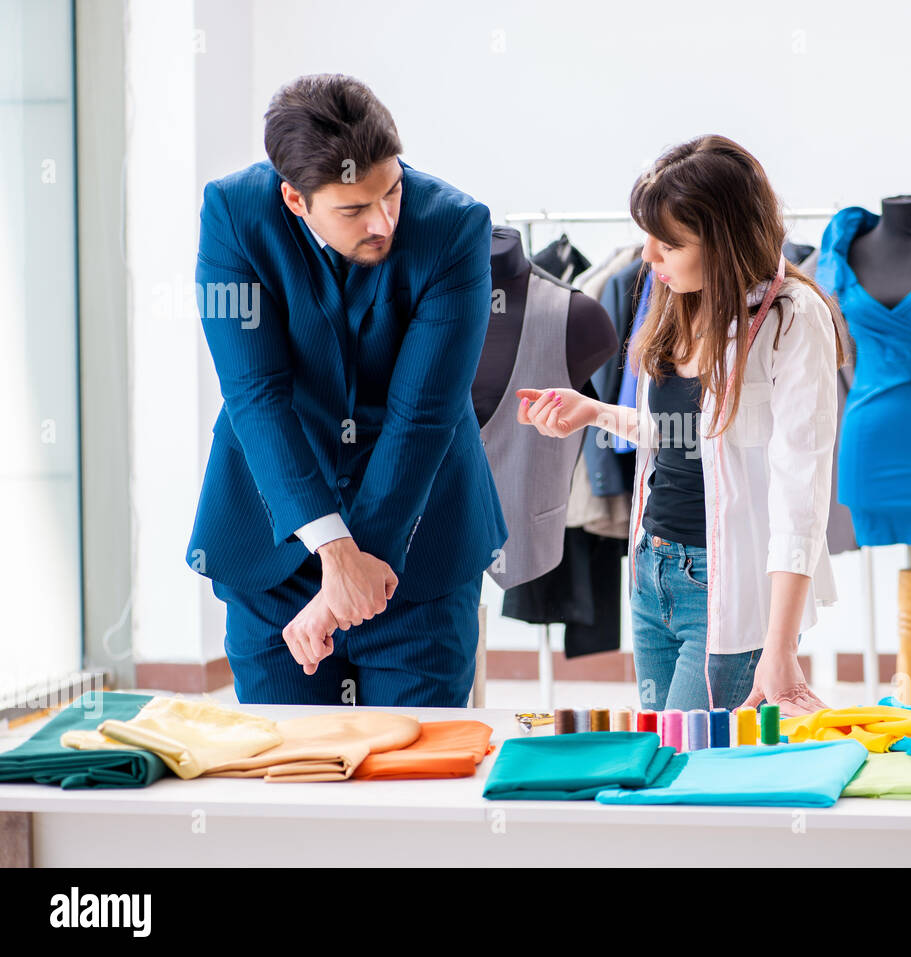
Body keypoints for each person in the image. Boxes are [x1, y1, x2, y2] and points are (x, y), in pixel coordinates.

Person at [186, 74, 507, 706]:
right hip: (274, 541)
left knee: (417, 779)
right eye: (354, 209)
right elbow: (257, 394)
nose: (384, 221)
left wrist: (347, 587)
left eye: (392, 192)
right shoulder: (234, 214)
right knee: (289, 772)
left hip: (419, 544)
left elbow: (424, 415)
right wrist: (335, 553)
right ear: (296, 201)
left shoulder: (455, 226)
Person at [516, 135, 845, 715]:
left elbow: (802, 489)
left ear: (724, 240)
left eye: (668, 243)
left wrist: (779, 642)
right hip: (650, 570)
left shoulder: (792, 318)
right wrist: (596, 413)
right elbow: (689, 437)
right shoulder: (681, 298)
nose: (648, 257)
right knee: (660, 756)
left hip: (726, 586)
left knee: (698, 771)